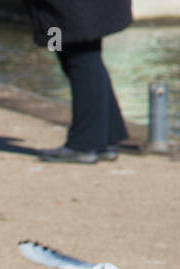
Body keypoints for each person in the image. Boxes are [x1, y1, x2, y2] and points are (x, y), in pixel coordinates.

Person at [23, 0, 131, 163]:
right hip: (79, 10)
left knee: (79, 59)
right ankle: (106, 138)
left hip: (67, 10)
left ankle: (85, 145)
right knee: (79, 55)